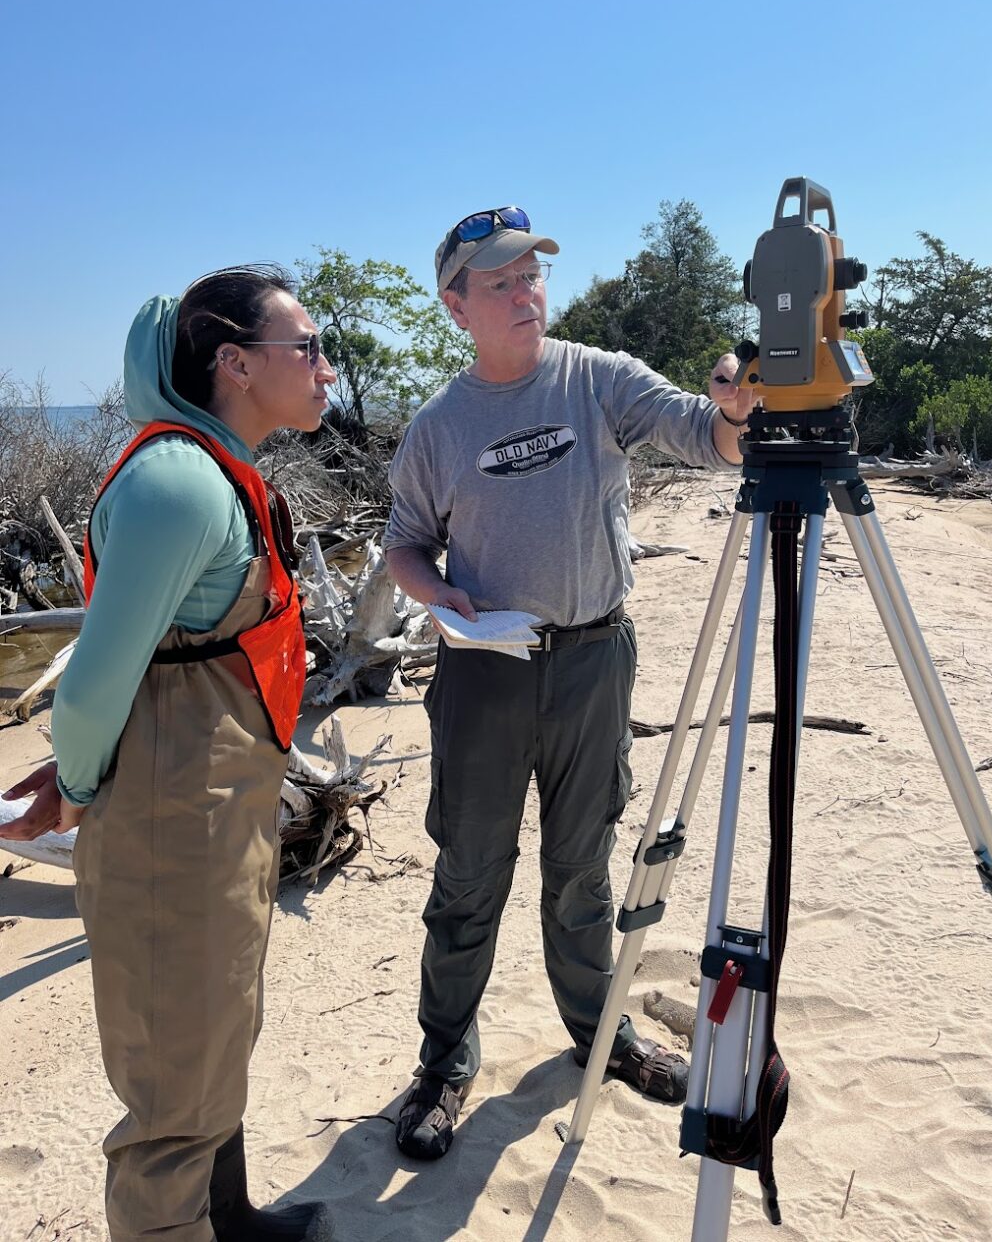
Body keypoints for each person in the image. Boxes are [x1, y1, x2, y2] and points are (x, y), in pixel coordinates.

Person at [383, 206, 756, 1160]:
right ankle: (442, 1064)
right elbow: (404, 545)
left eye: (532, 275)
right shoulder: (438, 427)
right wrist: (440, 596)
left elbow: (704, 437)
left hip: (594, 659)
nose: (525, 293)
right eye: (500, 282)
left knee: (583, 867)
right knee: (468, 873)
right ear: (456, 306)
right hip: (484, 673)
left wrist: (734, 409)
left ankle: (601, 1037)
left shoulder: (598, 378)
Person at [0, 267, 338, 1242]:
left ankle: (228, 1219)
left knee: (213, 1040)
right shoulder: (178, 481)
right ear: (236, 364)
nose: (324, 367)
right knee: (172, 1098)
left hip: (214, 816)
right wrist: (73, 785)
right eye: (306, 347)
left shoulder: (211, 471)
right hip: (173, 830)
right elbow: (91, 684)